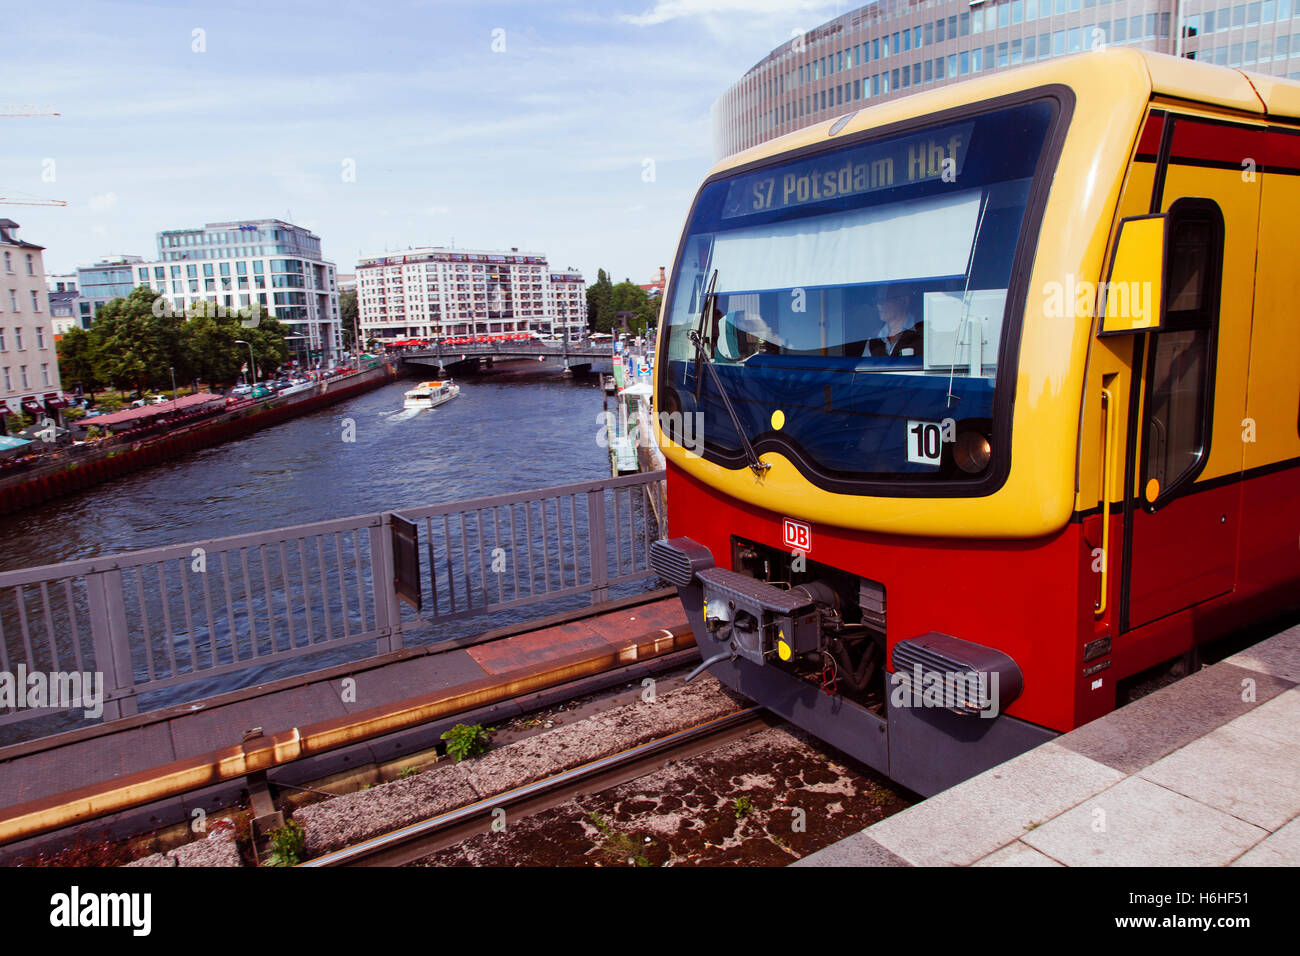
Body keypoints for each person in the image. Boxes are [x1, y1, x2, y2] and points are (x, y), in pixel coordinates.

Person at [868, 290, 923, 358]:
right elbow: (863, 364)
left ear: (904, 301)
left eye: (883, 300)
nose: (878, 305)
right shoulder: (874, 338)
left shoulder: (924, 333)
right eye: (876, 300)